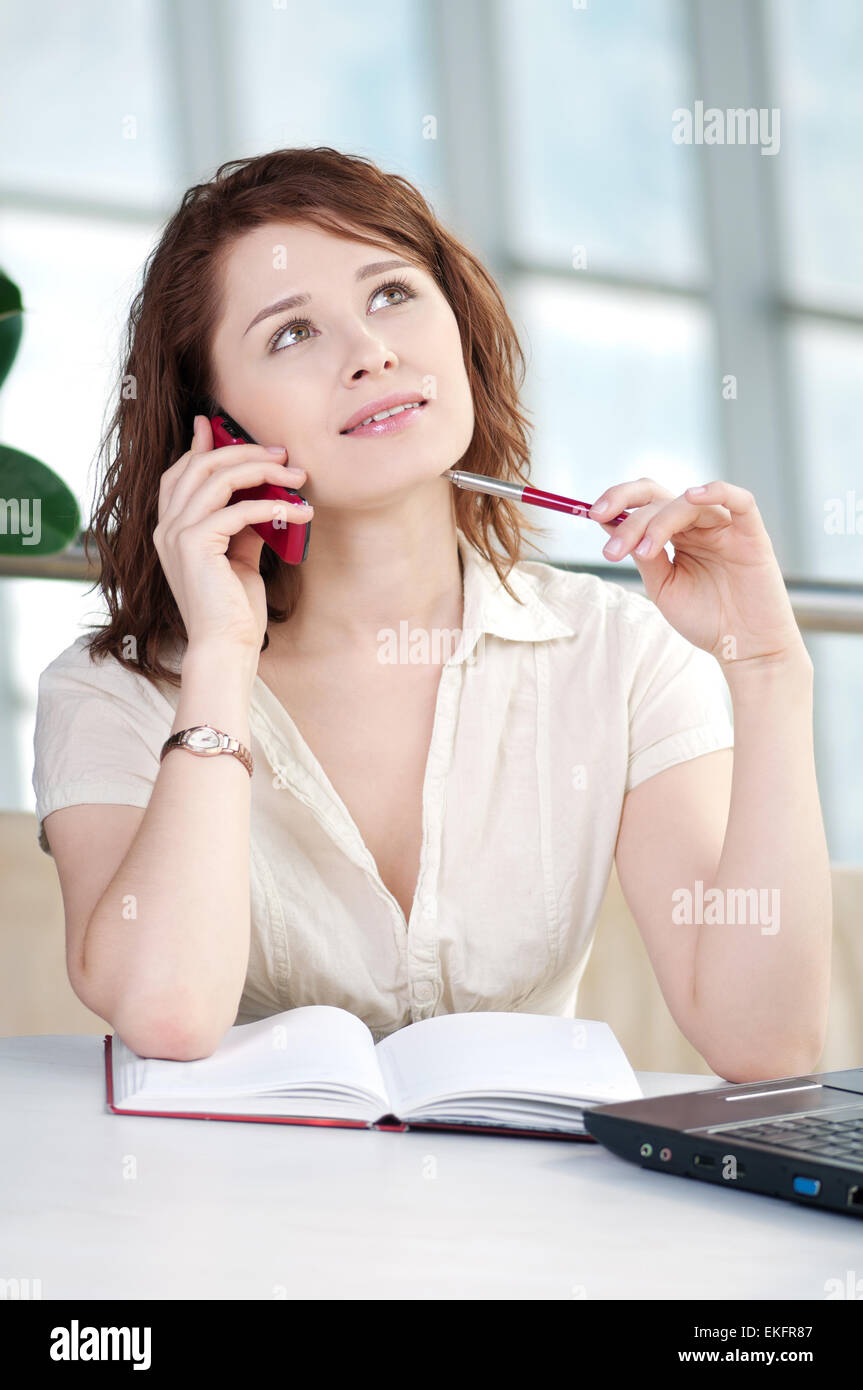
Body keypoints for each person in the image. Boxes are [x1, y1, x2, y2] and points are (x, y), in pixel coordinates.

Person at [32, 147, 830, 1077]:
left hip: (531, 1217)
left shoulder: (615, 653)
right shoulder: (110, 696)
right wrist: (218, 653)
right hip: (231, 1215)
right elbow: (167, 1015)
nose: (371, 351)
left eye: (390, 295)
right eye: (292, 334)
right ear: (216, 426)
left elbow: (765, 1043)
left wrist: (767, 668)